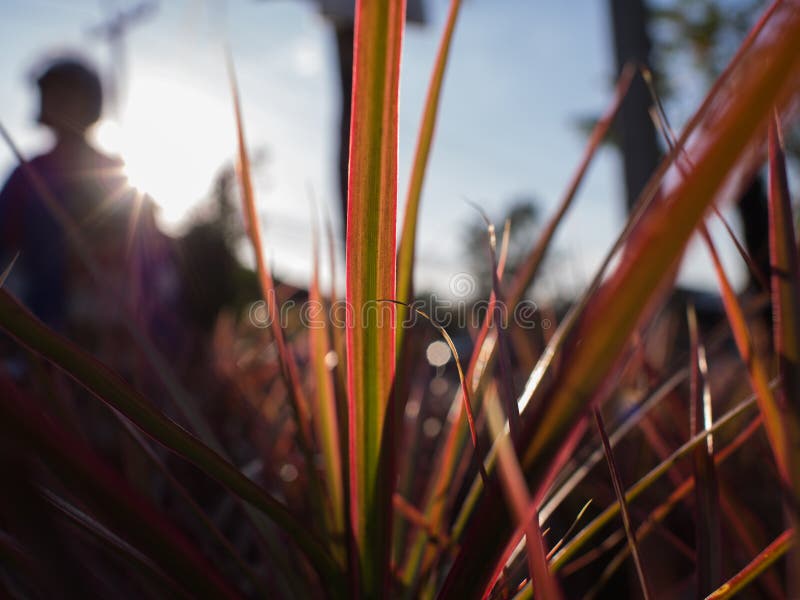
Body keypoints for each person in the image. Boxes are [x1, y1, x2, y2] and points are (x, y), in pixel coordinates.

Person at [0, 57, 178, 366]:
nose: (59, 101)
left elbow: (149, 248)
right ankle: (33, 354)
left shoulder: (116, 173)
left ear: (91, 103)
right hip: (41, 307)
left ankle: (148, 350)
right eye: (52, 93)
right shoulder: (28, 173)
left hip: (111, 307)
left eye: (69, 93)